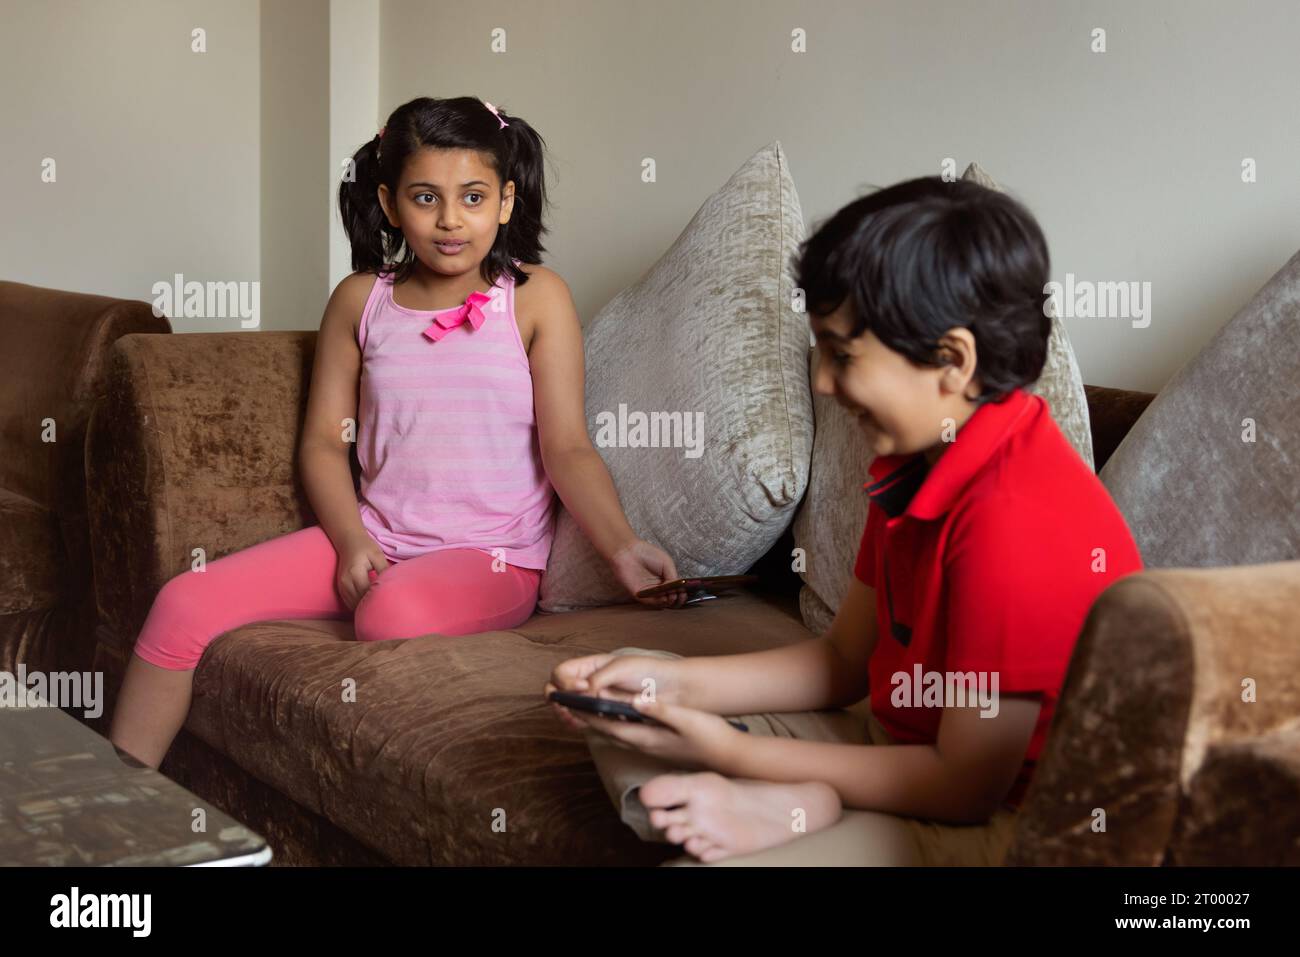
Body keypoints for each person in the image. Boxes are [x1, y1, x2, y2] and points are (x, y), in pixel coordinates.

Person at [546, 176, 1145, 865]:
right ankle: (802, 800)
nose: (823, 383)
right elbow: (841, 661)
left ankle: (794, 802)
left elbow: (967, 787)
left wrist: (730, 749)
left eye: (843, 354)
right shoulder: (917, 464)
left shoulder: (1015, 521)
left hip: (1007, 823)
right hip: (899, 749)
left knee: (690, 766)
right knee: (634, 693)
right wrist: (671, 688)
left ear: (952, 361)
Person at [110, 96, 687, 771]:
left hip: (490, 557)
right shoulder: (362, 300)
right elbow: (325, 442)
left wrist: (621, 547)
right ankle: (119, 824)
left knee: (389, 613)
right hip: (376, 538)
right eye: (425, 197)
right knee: (182, 600)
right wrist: (351, 541)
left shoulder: (535, 298)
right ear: (389, 204)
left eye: (473, 196)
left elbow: (567, 447)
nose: (450, 220)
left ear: (504, 202)